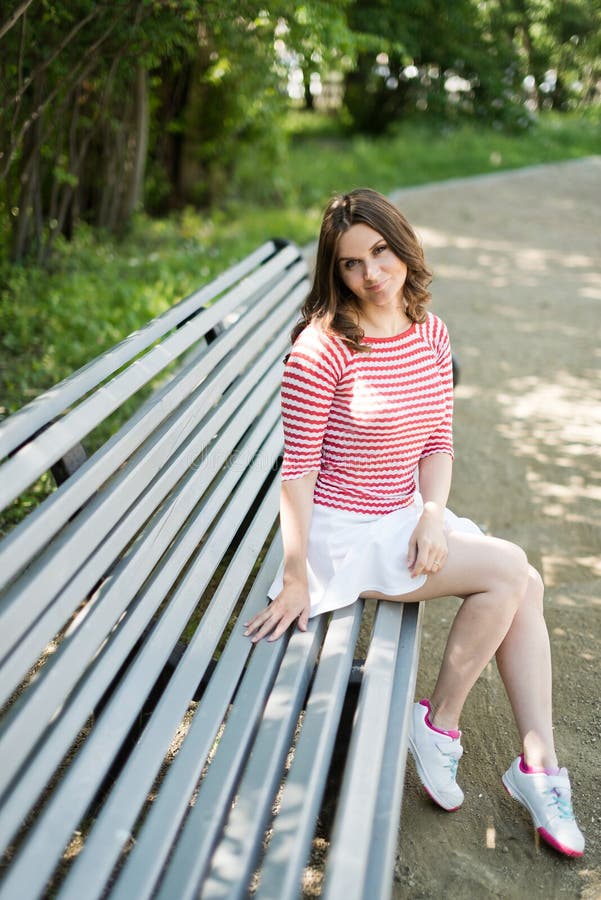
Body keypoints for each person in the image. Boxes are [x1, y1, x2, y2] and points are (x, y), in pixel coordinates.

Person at [244, 188, 584, 858]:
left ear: (402, 246)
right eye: (350, 263)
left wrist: (431, 515)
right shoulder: (321, 350)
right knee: (506, 569)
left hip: (402, 516)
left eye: (379, 252)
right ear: (332, 272)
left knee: (526, 585)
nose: (370, 273)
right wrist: (292, 577)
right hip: (344, 536)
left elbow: (436, 442)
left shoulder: (429, 330)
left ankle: (537, 767)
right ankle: (439, 726)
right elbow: (297, 473)